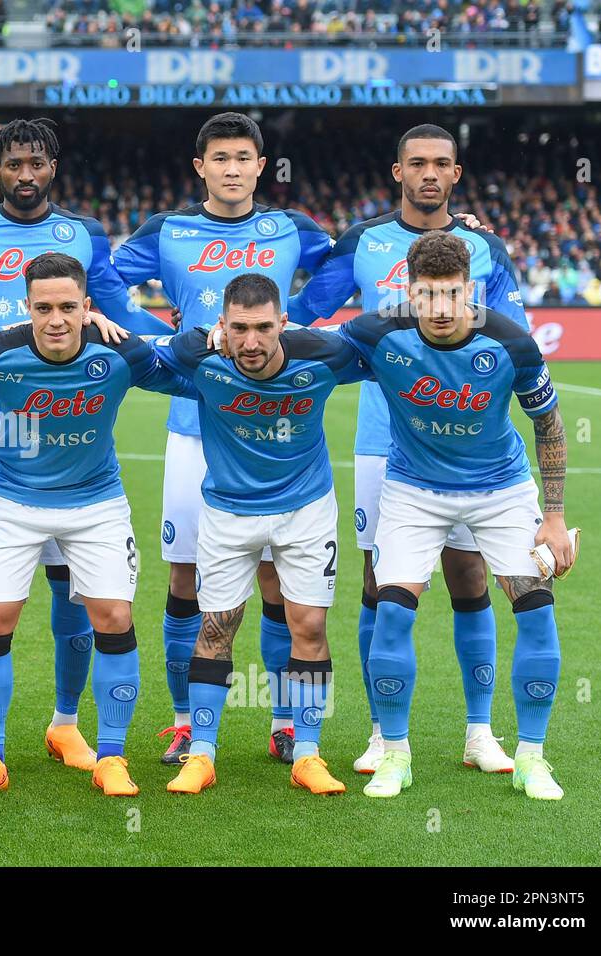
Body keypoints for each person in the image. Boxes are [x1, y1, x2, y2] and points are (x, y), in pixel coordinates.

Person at [0, 117, 171, 773]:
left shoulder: (83, 235)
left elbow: (117, 311)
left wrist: (189, 338)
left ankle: (66, 723)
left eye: (36, 163)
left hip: (68, 428)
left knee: (73, 589)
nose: (24, 175)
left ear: (52, 166)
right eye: (12, 164)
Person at [289, 124, 528, 776]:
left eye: (441, 164)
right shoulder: (363, 242)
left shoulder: (486, 248)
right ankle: (380, 732)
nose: (429, 173)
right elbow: (306, 309)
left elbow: (516, 342)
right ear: (397, 171)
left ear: (456, 173)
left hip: (469, 445)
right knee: (381, 585)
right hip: (383, 443)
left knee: (470, 578)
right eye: (416, 163)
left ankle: (480, 733)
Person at [112, 112, 332, 765]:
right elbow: (101, 279)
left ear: (261, 166)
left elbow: (347, 270)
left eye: (244, 158)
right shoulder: (169, 230)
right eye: (221, 159)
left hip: (271, 422)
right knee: (186, 578)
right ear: (200, 166)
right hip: (193, 426)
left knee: (276, 582)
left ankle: (287, 721)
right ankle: (186, 722)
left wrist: (294, 331)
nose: (233, 168)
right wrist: (165, 335)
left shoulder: (291, 228)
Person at [0, 252, 194, 797]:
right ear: (25, 308)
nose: (56, 319)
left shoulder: (118, 351)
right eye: (44, 307)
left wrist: (224, 339)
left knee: (113, 615)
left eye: (69, 307)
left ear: (88, 307)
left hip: (94, 501)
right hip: (10, 498)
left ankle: (112, 756)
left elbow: (184, 372)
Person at [335, 230, 571, 801]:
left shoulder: (511, 341)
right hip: (414, 490)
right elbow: (306, 350)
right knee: (391, 610)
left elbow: (551, 425)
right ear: (409, 292)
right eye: (427, 294)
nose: (440, 309)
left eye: (451, 294)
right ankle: (395, 754)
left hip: (500, 489)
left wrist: (555, 516)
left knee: (535, 610)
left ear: (471, 290)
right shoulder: (377, 331)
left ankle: (532, 758)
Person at [152, 273, 368, 796]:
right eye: (239, 329)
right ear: (221, 327)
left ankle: (307, 752)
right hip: (227, 512)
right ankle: (202, 753)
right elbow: (137, 356)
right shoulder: (204, 366)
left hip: (306, 511)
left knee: (309, 626)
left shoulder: (321, 363)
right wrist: (187, 336)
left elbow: (383, 340)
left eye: (264, 328)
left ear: (284, 325)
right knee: (216, 628)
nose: (251, 342)